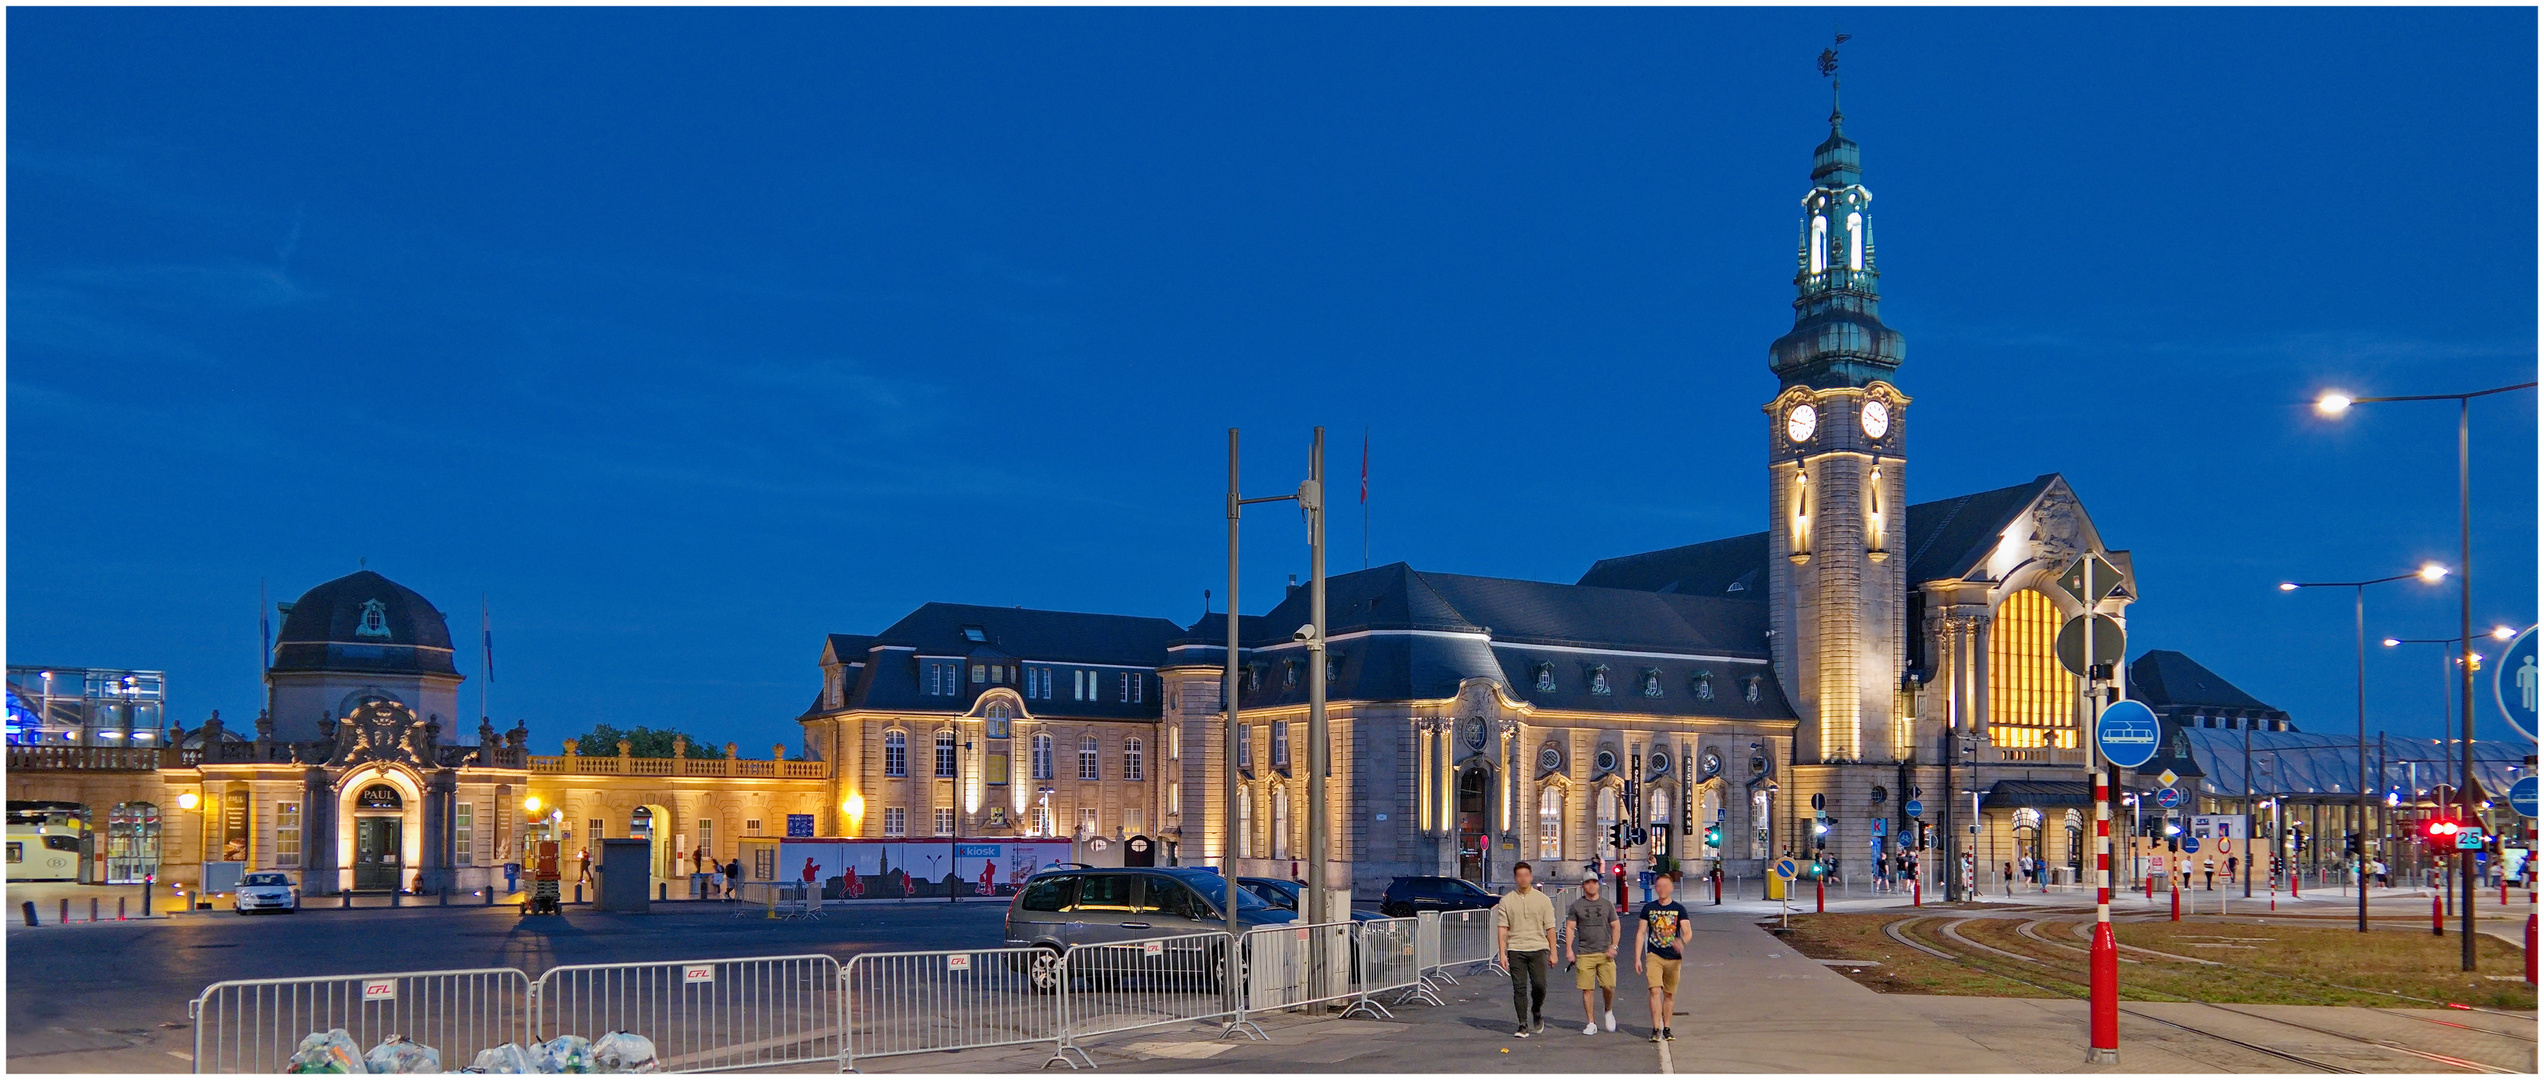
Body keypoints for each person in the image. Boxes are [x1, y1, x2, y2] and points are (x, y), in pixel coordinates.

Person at [1493, 861, 1559, 1038]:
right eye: (1519, 876)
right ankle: (1522, 1024)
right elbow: (1502, 928)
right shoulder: (1506, 901)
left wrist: (1553, 952)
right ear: (1515, 878)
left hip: (1538, 948)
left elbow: (1550, 928)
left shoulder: (1543, 900)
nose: (1523, 879)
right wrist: (1502, 953)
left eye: (1526, 875)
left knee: (1539, 985)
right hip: (1516, 949)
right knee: (1519, 988)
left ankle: (1536, 1010)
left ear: (1531, 877)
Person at [1633, 871, 1691, 1043]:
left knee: (1669, 994)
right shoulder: (1648, 909)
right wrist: (1637, 958)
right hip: (1654, 955)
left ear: (1671, 888)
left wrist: (1681, 942)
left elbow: (1688, 932)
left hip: (1673, 958)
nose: (1662, 889)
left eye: (1665, 886)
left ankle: (1667, 1027)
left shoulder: (1679, 909)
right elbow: (1641, 933)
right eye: (1659, 886)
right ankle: (1656, 1028)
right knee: (1654, 990)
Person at [1563, 876, 1621, 1035]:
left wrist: (1614, 945)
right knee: (1587, 989)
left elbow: (1615, 926)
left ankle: (1608, 1010)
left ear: (1598, 885)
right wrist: (1569, 949)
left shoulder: (1606, 904)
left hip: (1605, 952)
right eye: (1588, 882)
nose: (1591, 885)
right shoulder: (1577, 906)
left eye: (1594, 882)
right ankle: (1591, 1022)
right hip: (1585, 952)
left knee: (1609, 986)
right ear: (1583, 886)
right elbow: (1570, 928)